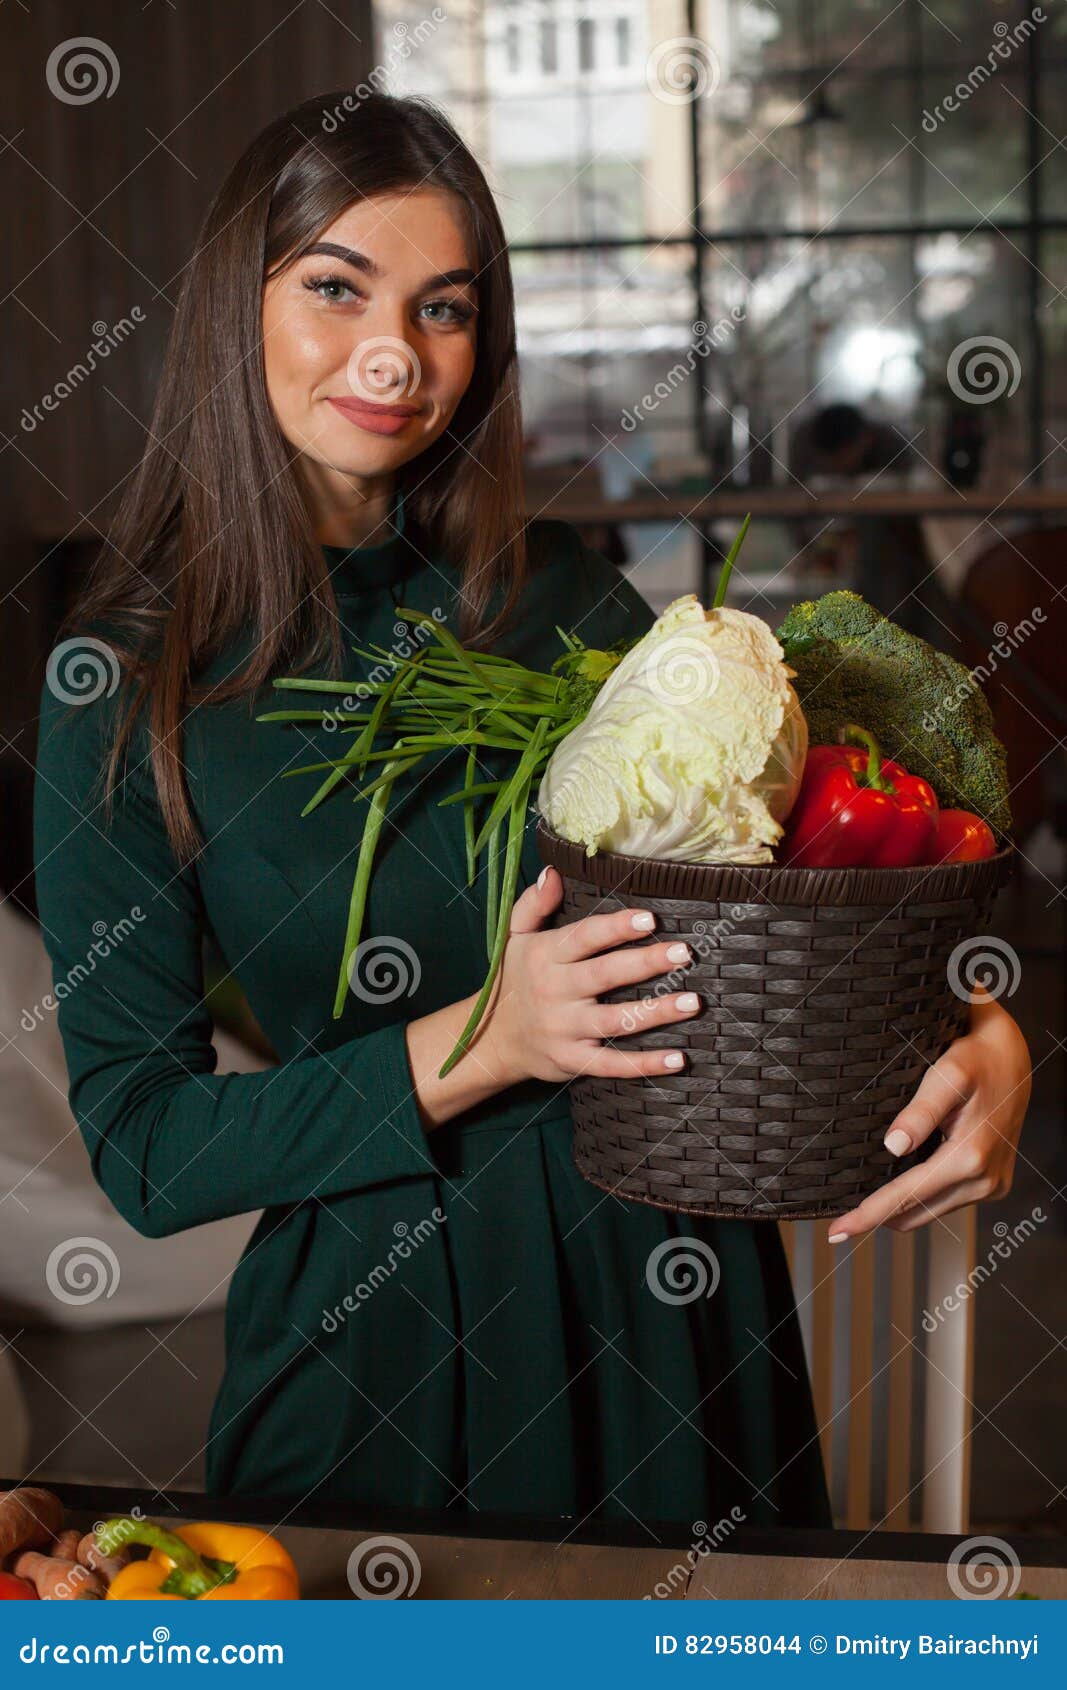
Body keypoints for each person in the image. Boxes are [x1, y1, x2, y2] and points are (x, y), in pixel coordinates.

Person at [32, 92, 1030, 1528]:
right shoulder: (130, 684)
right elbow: (143, 1145)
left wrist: (979, 1037)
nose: (394, 352)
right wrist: (478, 1040)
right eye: (334, 287)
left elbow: (785, 892)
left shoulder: (560, 602)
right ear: (231, 306)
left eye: (444, 307)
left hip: (680, 1329)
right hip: (383, 1369)